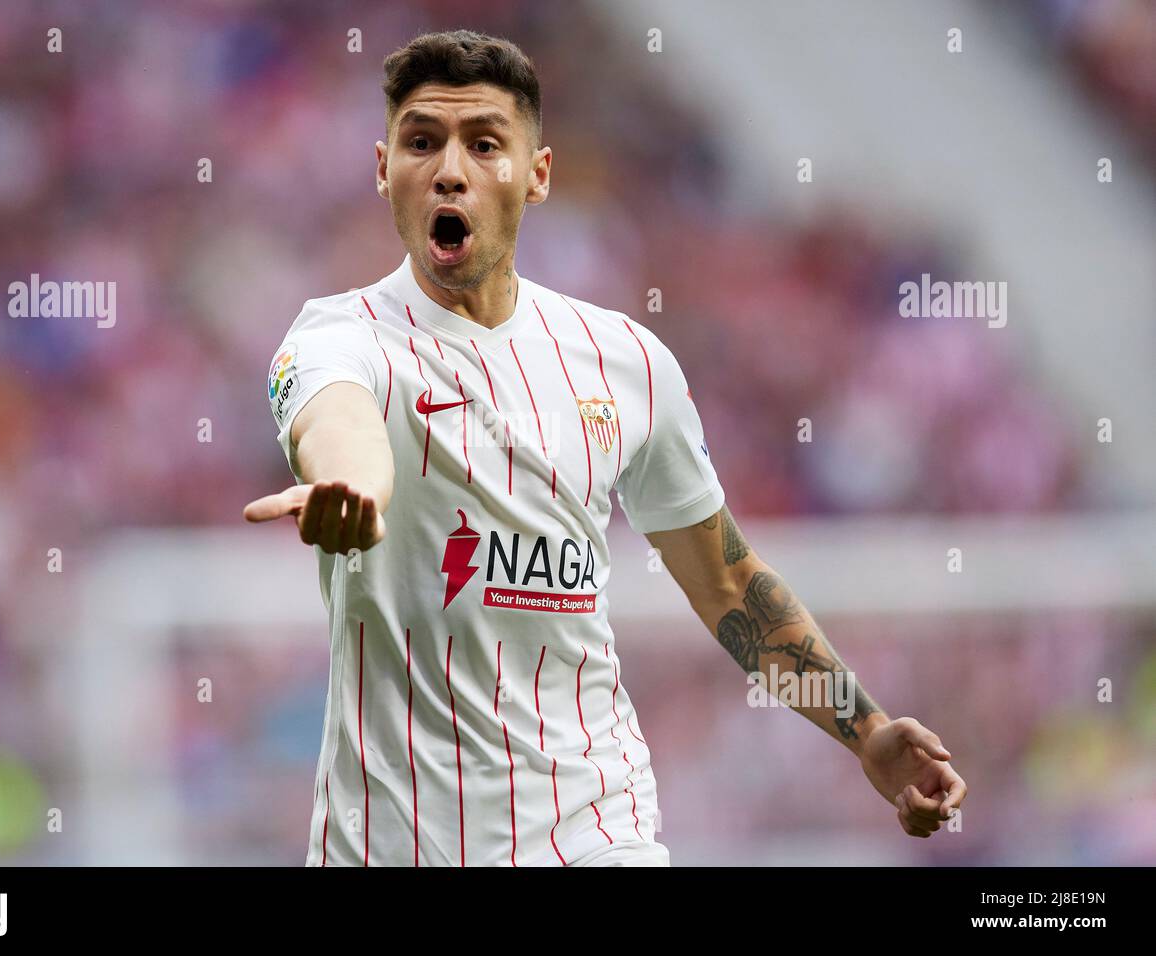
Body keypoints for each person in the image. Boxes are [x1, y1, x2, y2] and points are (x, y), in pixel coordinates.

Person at [244, 29, 966, 867]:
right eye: (420, 141)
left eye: (484, 143)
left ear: (538, 175)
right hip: (392, 847)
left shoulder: (626, 361)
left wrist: (867, 730)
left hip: (594, 836)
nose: (450, 168)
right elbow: (340, 426)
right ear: (383, 170)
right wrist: (353, 488)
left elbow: (727, 583)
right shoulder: (336, 335)